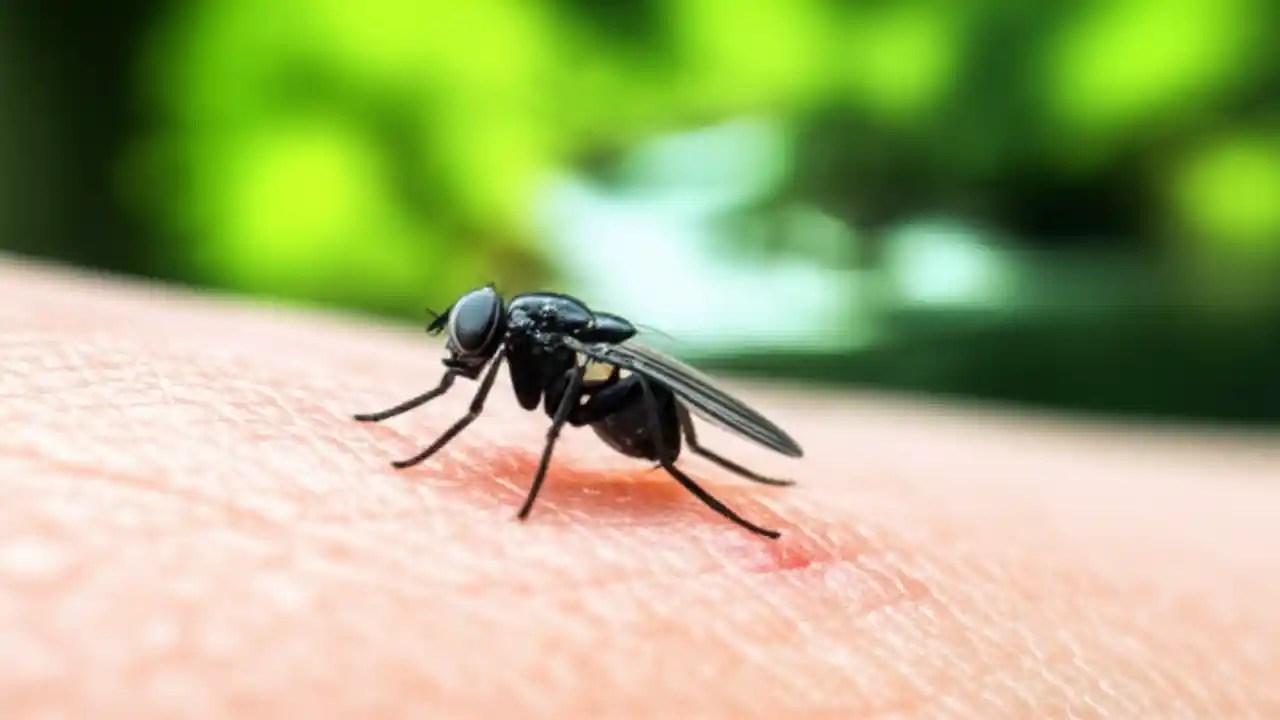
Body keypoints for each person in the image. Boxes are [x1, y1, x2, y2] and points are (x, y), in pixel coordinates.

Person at [3, 258, 1278, 717]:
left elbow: (601, 385)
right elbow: (489, 379)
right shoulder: (521, 337)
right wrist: (430, 414)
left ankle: (705, 483)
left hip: (639, 413)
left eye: (469, 338)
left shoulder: (548, 347)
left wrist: (679, 455)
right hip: (623, 401)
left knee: (642, 413)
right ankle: (702, 477)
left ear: (502, 326)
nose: (462, 350)